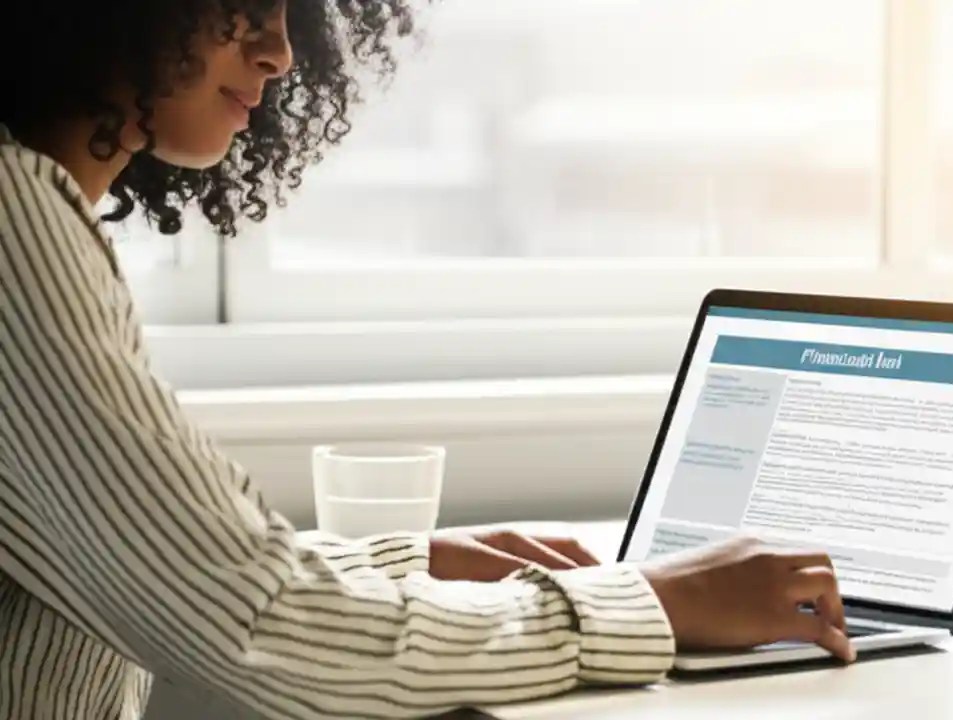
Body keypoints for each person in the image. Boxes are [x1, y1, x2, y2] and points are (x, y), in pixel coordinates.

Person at [0, 2, 852, 718]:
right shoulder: (16, 225)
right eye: (241, 5)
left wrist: (408, 560)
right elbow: (267, 627)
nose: (280, 50)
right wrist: (653, 605)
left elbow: (145, 565)